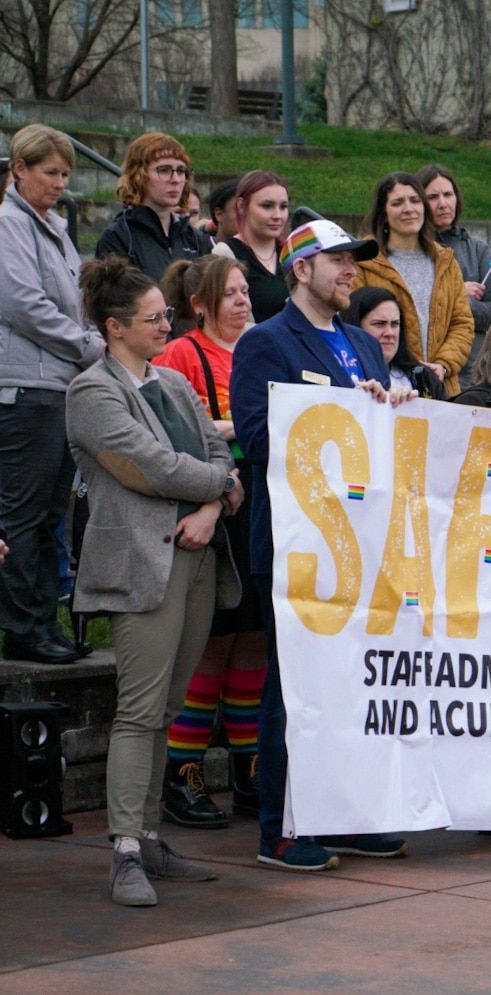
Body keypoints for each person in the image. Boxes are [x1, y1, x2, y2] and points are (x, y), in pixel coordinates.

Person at [231, 219, 414, 872]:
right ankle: (279, 826)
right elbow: (255, 437)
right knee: (295, 691)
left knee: (350, 686)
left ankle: (342, 814)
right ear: (299, 269)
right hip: (295, 546)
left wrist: (390, 405)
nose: (351, 271)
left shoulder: (365, 346)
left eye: (355, 260)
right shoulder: (264, 343)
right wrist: (339, 416)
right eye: (338, 260)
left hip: (362, 546)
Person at [68, 256, 242, 906]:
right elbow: (151, 466)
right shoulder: (91, 392)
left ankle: (149, 834)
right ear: (115, 327)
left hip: (196, 556)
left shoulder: (172, 385)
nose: (165, 323)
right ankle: (125, 849)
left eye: (165, 315)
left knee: (167, 708)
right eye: (153, 318)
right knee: (140, 710)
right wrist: (220, 488)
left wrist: (208, 505)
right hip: (144, 564)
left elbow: (218, 450)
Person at [156, 255, 267, 828]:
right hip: (215, 509)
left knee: (252, 640)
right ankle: (184, 773)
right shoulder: (182, 354)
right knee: (210, 642)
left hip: (261, 511)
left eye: (247, 291)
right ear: (200, 305)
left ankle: (250, 773)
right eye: (231, 294)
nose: (244, 302)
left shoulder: (259, 348)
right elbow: (181, 437)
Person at [0, 124, 106, 665]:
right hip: (28, 388)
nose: (60, 182)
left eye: (65, 173)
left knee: (49, 516)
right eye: (49, 172)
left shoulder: (54, 227)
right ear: (19, 169)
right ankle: (21, 628)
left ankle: (43, 621)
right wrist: (89, 345)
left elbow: (73, 300)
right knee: (23, 514)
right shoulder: (8, 225)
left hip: (58, 386)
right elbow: (23, 304)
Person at [353, 171, 473, 398]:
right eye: (398, 203)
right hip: (385, 388)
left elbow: (462, 323)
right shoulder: (363, 260)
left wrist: (443, 364)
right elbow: (353, 323)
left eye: (415, 200)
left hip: (442, 389)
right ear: (384, 213)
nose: (409, 209)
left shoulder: (445, 261)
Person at [415, 164, 491, 389]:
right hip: (425, 370)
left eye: (448, 195)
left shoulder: (478, 250)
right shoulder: (411, 249)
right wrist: (455, 291)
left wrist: (460, 303)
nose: (443, 204)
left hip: (473, 376)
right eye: (433, 197)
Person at [94, 133, 214, 279]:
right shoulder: (118, 238)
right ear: (139, 175)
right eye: (164, 170)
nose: (175, 179)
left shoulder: (196, 239)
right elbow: (114, 299)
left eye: (181, 171)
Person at [342, 287, 447, 400]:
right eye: (379, 324)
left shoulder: (423, 379)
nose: (389, 333)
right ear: (354, 326)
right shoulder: (340, 377)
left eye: (395, 324)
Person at [214, 171, 290, 325]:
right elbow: (226, 322)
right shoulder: (225, 255)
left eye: (283, 207)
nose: (278, 215)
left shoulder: (293, 253)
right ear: (242, 206)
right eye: (267, 206)